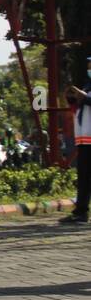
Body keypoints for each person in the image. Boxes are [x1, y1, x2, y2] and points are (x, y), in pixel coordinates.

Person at [61, 55, 91, 225]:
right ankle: (81, 212)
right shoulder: (87, 86)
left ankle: (81, 211)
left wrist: (84, 97)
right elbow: (79, 108)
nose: (89, 68)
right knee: (84, 177)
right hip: (84, 139)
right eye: (88, 66)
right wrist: (72, 97)